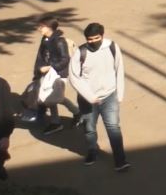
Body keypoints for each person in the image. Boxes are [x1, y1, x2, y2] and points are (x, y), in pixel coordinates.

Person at [69, 23, 129, 171]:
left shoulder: (112, 47)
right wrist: (90, 96)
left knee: (113, 127)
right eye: (89, 39)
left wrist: (119, 94)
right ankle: (92, 150)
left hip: (110, 95)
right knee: (89, 128)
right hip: (87, 99)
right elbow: (74, 77)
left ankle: (120, 160)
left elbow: (119, 69)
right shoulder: (80, 52)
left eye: (96, 38)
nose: (93, 41)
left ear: (102, 36)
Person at [34, 17, 81, 135]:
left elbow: (65, 60)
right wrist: (38, 71)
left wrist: (50, 67)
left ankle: (70, 115)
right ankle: (58, 120)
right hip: (48, 73)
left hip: (59, 74)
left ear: (49, 27)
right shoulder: (45, 39)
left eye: (41, 26)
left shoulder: (59, 41)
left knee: (56, 98)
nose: (38, 28)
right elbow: (41, 56)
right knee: (53, 98)